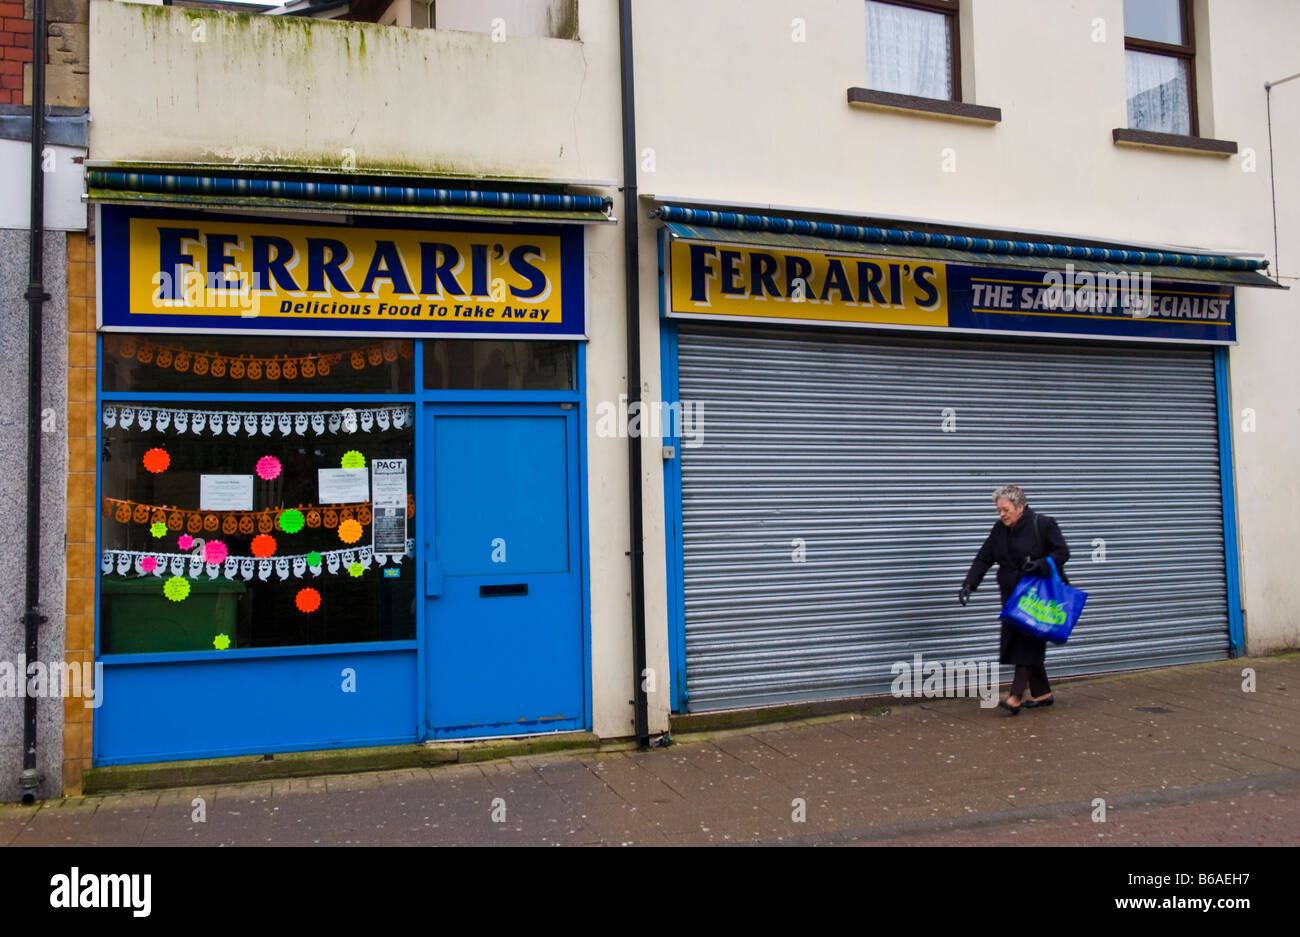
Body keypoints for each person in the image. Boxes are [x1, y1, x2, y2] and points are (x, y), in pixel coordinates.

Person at [958, 485, 1070, 715]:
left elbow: (1062, 552)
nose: (1001, 514)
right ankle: (1042, 694)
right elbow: (984, 557)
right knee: (1023, 641)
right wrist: (970, 583)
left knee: (1027, 643)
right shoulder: (999, 529)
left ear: (1020, 507)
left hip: (1037, 596)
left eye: (1005, 509)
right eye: (998, 510)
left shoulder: (1043, 524)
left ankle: (1015, 697)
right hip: (1011, 596)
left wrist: (1038, 564)